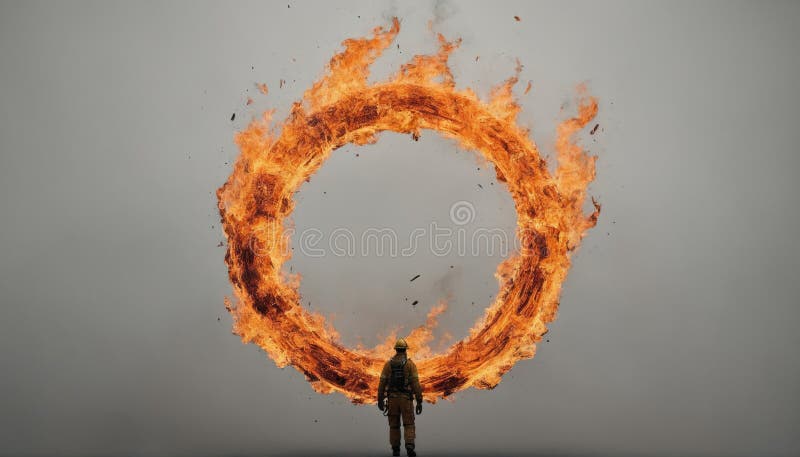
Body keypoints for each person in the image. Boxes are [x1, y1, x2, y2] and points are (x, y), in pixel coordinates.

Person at [377, 338, 423, 457]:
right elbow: (416, 384)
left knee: (394, 425)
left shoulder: (388, 365)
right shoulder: (410, 365)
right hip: (406, 400)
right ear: (405, 350)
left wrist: (380, 400)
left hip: (392, 400)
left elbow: (382, 383)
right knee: (409, 424)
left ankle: (395, 449)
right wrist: (419, 401)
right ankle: (409, 447)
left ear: (396, 350)